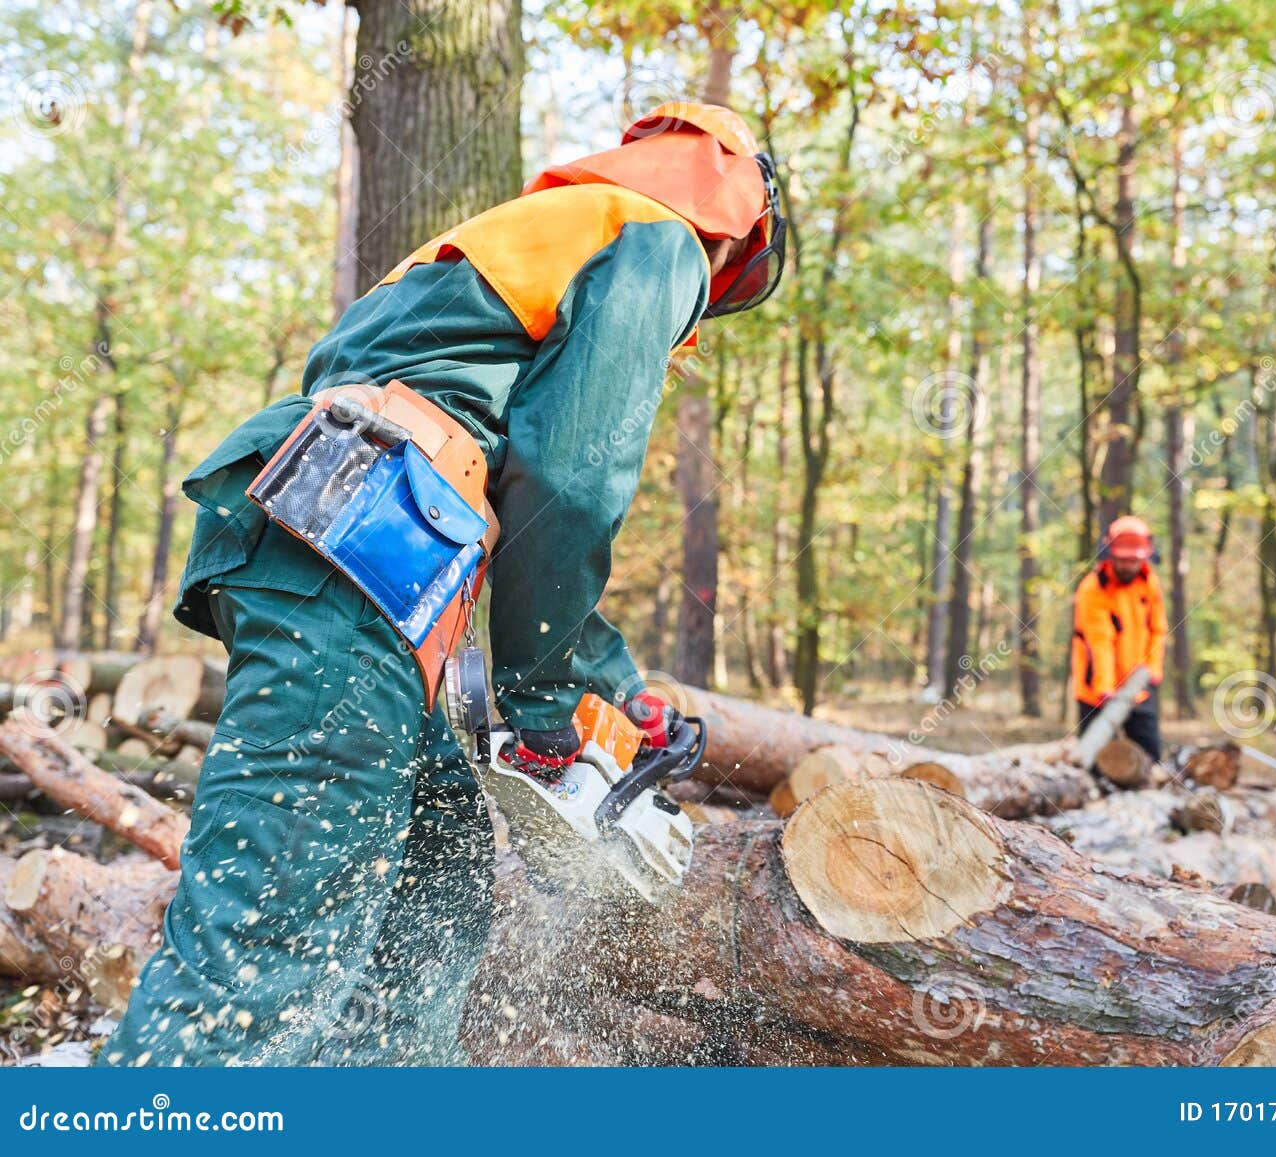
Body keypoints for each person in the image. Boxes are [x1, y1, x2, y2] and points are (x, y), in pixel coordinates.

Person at [100, 102, 785, 1066]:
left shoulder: (531, 240)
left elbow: (521, 488)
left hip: (345, 558)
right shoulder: (658, 236)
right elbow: (574, 477)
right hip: (353, 575)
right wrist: (541, 702)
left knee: (439, 875)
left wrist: (612, 684)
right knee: (262, 947)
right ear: (737, 221)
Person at [1070, 515, 1168, 763]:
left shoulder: (1149, 583)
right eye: (1123, 561)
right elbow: (1098, 641)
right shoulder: (1093, 589)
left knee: (1150, 758)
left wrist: (1153, 668)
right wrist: (1104, 687)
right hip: (1097, 691)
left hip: (1138, 688)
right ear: (1109, 554)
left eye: (1134, 561)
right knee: (1095, 764)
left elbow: (1158, 628)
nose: (1128, 567)